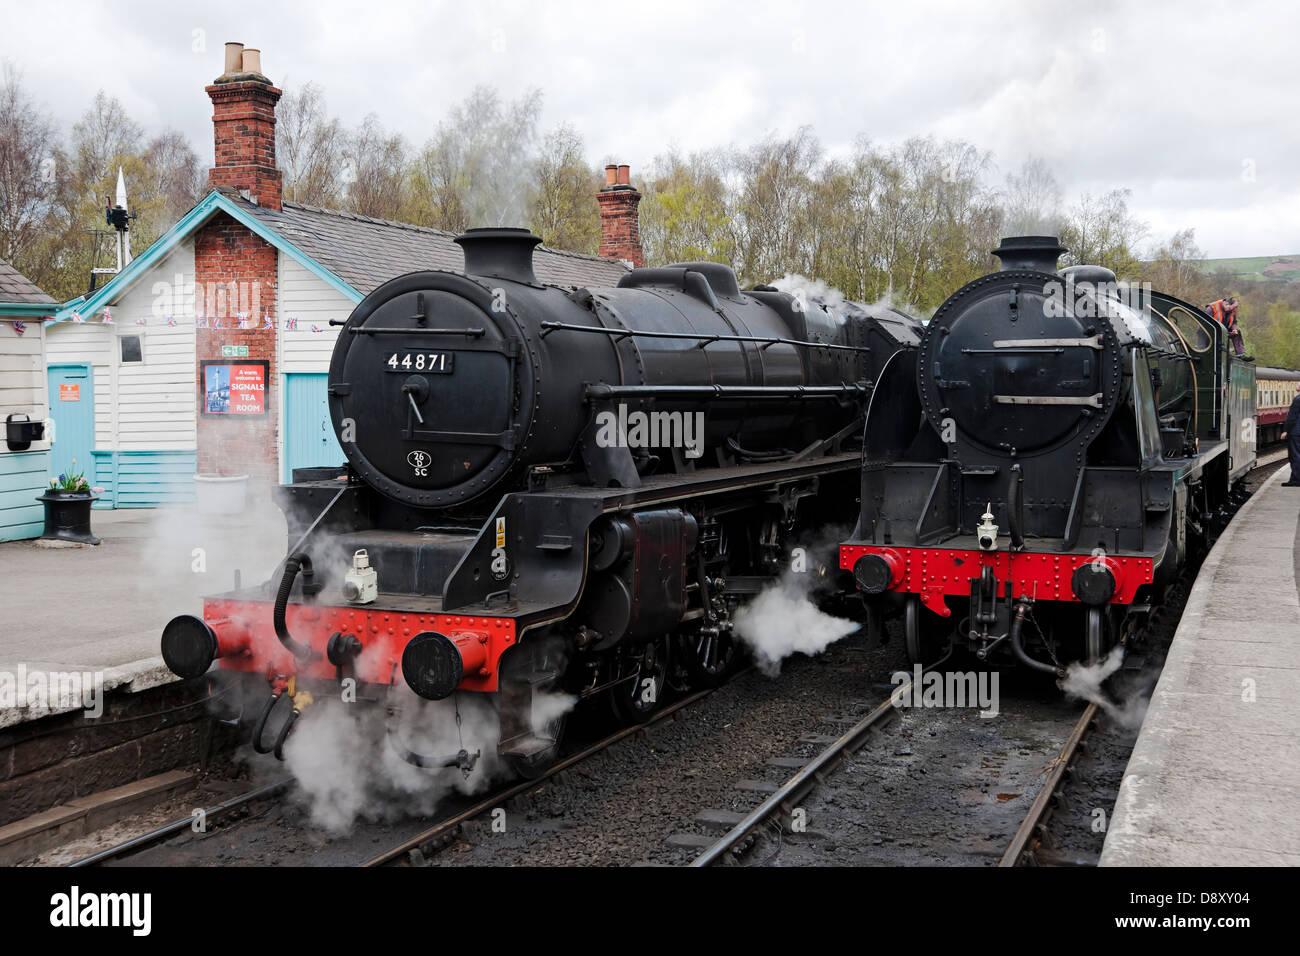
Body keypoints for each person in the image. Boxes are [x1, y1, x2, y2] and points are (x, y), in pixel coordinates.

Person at [1283, 389, 1300, 487]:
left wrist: (1286, 430)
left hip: (1296, 432)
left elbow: (1292, 417)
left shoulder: (1297, 399)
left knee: (1295, 456)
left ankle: (1296, 480)